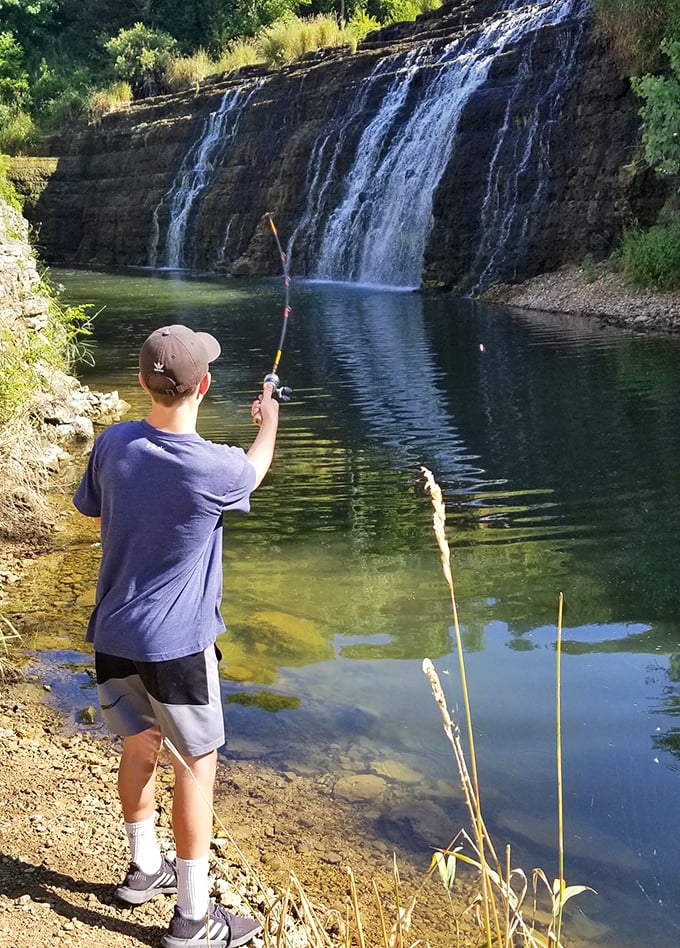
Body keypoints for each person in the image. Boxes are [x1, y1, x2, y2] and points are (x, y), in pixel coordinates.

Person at [73, 324, 279, 948]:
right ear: (205, 385)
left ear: (141, 382)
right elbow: (254, 469)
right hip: (180, 648)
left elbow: (98, 509)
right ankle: (193, 917)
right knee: (195, 770)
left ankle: (143, 871)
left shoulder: (112, 445)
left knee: (138, 748)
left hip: (113, 634)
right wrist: (268, 417)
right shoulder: (215, 467)